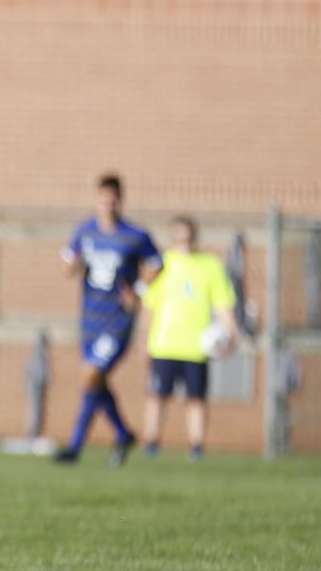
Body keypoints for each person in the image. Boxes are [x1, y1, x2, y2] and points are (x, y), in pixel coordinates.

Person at [55, 173, 163, 467]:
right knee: (93, 381)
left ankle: (75, 446)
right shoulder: (85, 231)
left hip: (117, 322)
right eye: (104, 199)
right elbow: (67, 265)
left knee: (90, 375)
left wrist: (139, 290)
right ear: (97, 199)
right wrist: (73, 265)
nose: (108, 204)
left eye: (113, 199)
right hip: (90, 319)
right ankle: (123, 432)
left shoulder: (134, 235)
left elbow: (156, 264)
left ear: (120, 201)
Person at [140, 216, 239, 460]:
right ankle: (151, 442)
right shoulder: (161, 265)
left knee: (196, 398)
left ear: (195, 238)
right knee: (157, 395)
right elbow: (149, 306)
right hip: (164, 344)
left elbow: (223, 305)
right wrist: (144, 341)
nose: (183, 242)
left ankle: (196, 446)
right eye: (179, 237)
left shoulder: (210, 266)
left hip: (196, 346)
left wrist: (232, 334)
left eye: (188, 237)